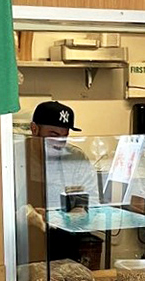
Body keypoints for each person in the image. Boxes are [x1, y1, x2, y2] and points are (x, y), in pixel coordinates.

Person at [25, 101, 99, 261]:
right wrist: (23, 214)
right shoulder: (16, 156)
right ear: (34, 129)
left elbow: (91, 205)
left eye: (64, 136)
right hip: (23, 241)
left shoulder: (76, 159)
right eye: (53, 135)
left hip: (64, 242)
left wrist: (59, 217)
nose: (59, 143)